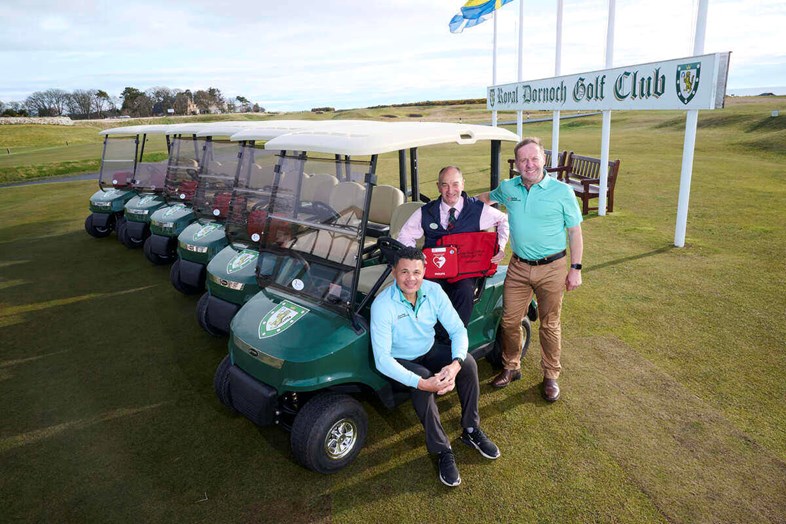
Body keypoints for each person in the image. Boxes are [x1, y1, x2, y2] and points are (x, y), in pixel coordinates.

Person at [370, 246, 500, 487]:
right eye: (404, 272)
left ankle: (471, 430)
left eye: (417, 272)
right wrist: (422, 382)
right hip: (400, 360)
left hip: (428, 350)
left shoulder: (434, 290)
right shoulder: (382, 305)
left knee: (469, 363)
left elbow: (457, 329)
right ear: (394, 272)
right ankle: (442, 450)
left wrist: (455, 364)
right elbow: (382, 359)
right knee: (422, 381)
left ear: (425, 271)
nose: (411, 279)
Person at [477, 137, 583, 402]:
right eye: (523, 160)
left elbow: (575, 232)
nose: (529, 164)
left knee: (550, 324)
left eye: (534, 158)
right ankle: (511, 367)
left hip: (553, 268)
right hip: (519, 266)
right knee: (510, 321)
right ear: (516, 164)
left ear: (544, 159)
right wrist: (453, 204)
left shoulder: (562, 192)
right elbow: (484, 200)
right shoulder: (508, 187)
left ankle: (550, 375)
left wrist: (576, 268)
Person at [397, 166, 509, 327]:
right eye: (445, 185)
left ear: (463, 184)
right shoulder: (427, 211)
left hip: (464, 269)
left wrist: (501, 246)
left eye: (455, 184)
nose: (450, 190)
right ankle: (427, 336)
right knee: (423, 290)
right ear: (438, 186)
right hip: (434, 268)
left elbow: (502, 220)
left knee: (464, 291)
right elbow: (405, 235)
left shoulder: (476, 209)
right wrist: (417, 258)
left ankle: (456, 337)